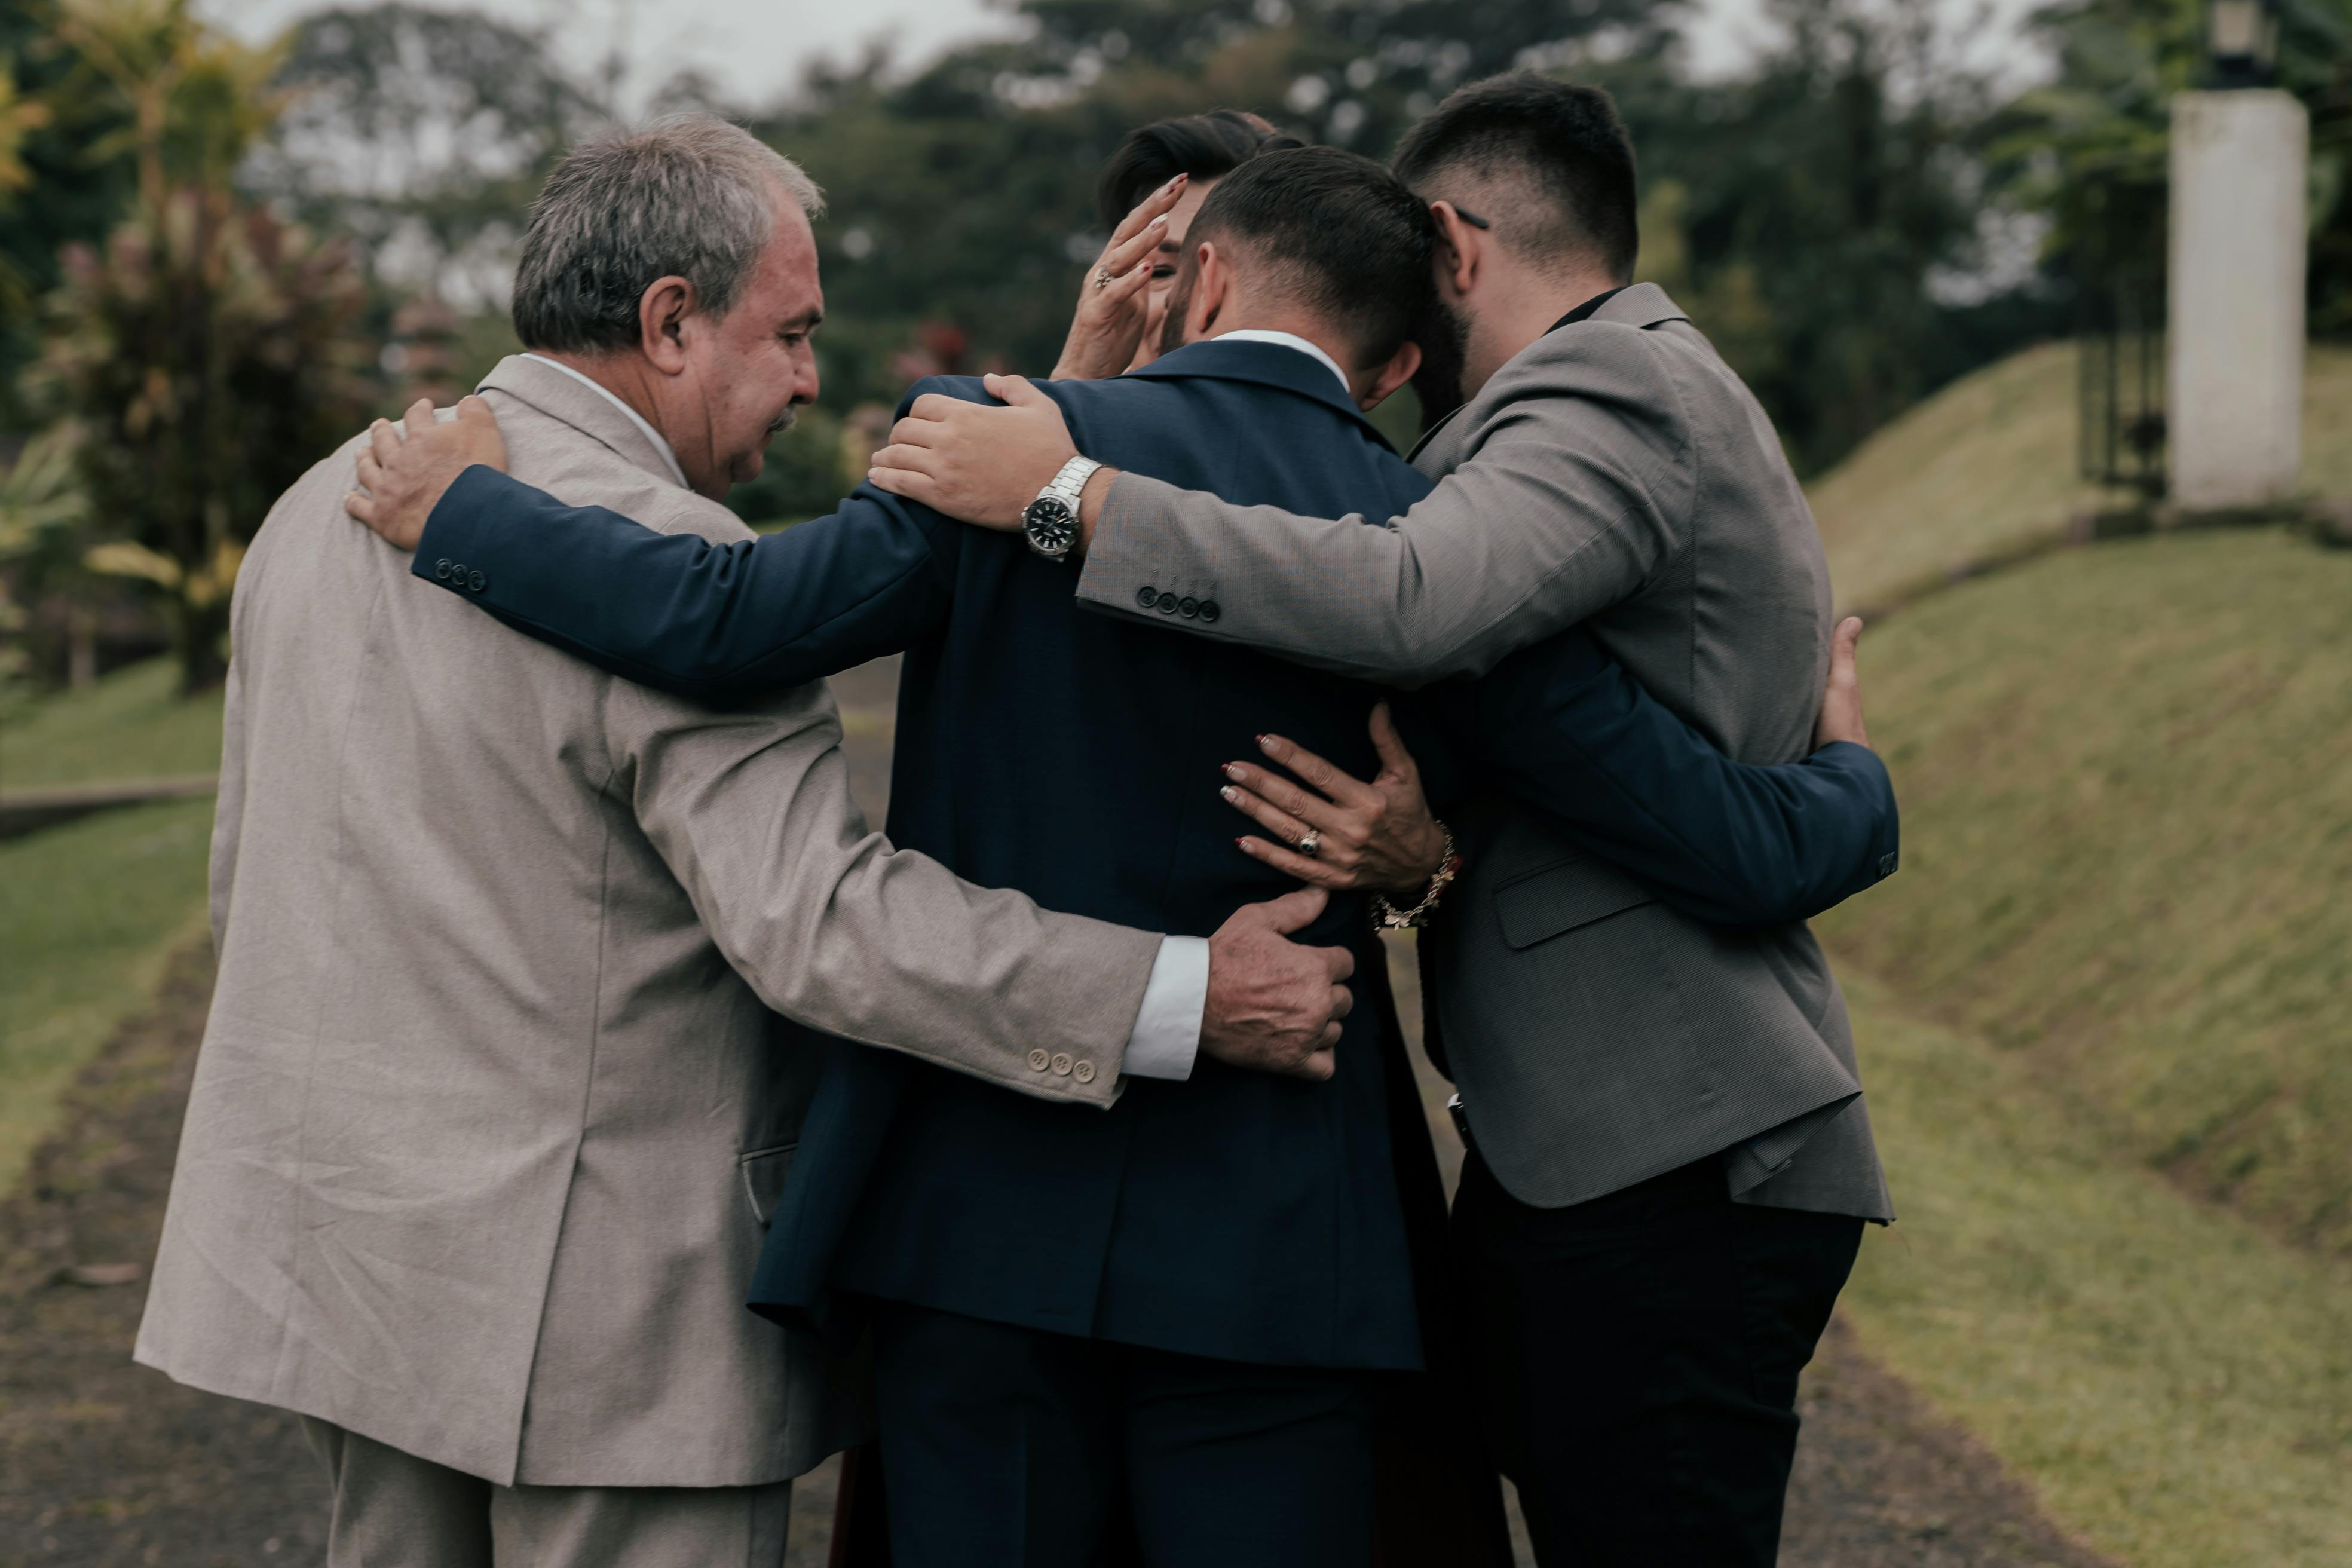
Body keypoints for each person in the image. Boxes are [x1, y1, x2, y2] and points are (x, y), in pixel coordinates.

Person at [345, 143, 1895, 1565]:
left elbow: (721, 621)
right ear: (1398, 363)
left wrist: (468, 513)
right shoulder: (1425, 540)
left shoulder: (991, 455)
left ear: (1201, 278)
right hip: (1272, 1247)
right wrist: (1849, 787)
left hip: (976, 1212)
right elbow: (1695, 825)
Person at [134, 115, 1359, 1568]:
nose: (811, 380)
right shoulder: (670, 557)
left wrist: (1062, 395)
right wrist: (1185, 995)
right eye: (791, 335)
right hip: (602, 1307)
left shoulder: (326, 500)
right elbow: (824, 931)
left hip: (343, 1261)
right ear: (670, 322)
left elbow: (251, 874)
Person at [863, 74, 1895, 1568]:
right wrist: (1430, 858)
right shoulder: (1551, 430)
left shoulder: (1599, 390)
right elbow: (1575, 758)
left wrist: (1067, 490)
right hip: (1610, 1140)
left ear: (1452, 245)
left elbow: (1421, 609)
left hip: (1676, 1141)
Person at [1052, 109, 1297, 381]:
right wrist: (1076, 379)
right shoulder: (1067, 399)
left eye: (1224, 272)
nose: (1181, 299)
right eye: (1161, 272)